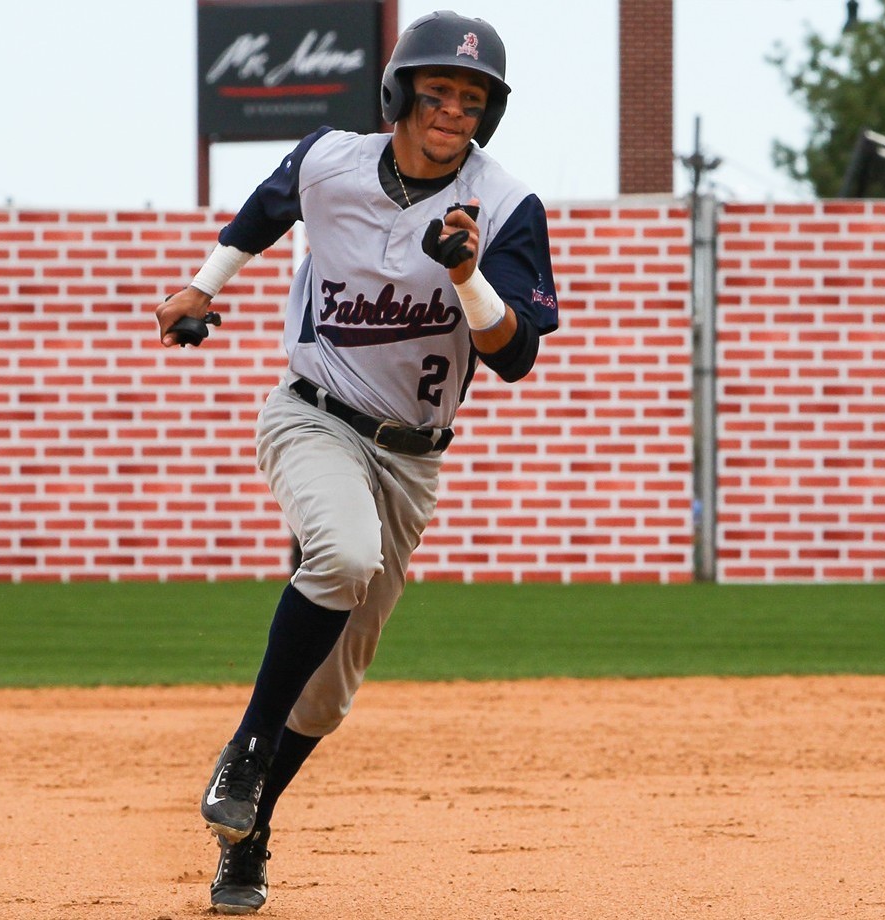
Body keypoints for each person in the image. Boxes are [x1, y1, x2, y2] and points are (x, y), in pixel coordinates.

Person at [153, 10, 559, 914]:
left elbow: (517, 353)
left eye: (473, 97)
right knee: (340, 553)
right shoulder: (331, 158)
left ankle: (246, 833)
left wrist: (466, 274)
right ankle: (246, 748)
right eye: (439, 90)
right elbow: (263, 209)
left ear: (489, 114)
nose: (454, 108)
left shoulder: (503, 205)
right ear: (401, 92)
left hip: (412, 458)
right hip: (311, 414)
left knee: (329, 699)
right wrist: (199, 287)